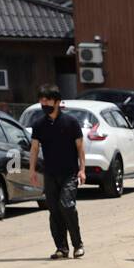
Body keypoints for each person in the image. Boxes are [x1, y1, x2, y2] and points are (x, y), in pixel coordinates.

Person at [28, 84, 85, 259]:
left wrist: (82, 169)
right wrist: (32, 171)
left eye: (47, 100)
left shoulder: (71, 122)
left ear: (57, 102)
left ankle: (77, 244)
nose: (44, 103)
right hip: (50, 174)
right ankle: (61, 248)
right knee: (54, 210)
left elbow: (80, 147)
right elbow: (35, 148)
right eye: (41, 100)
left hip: (69, 173)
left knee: (67, 206)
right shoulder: (39, 124)